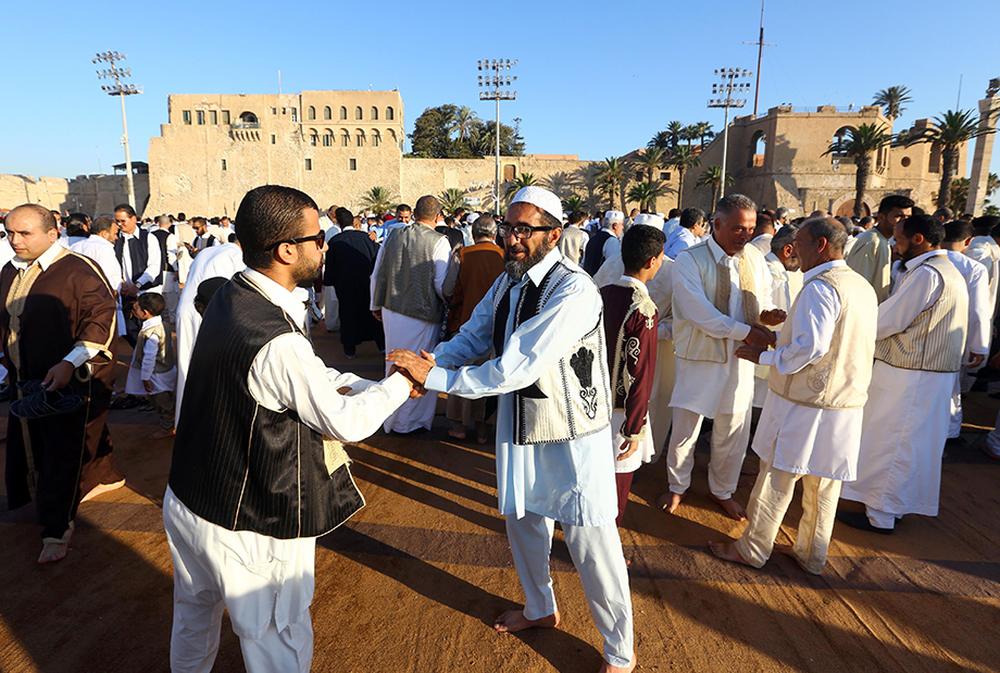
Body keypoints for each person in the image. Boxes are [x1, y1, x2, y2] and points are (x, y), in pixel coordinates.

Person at [163, 185, 418, 673]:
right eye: (317, 236)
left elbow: (303, 377)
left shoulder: (229, 294)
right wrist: (401, 384)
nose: (324, 246)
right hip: (251, 524)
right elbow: (344, 422)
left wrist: (368, 381)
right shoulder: (275, 338)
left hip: (192, 500)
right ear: (286, 250)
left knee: (193, 621)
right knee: (277, 644)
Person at [388, 185, 635, 673]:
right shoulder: (508, 281)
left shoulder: (574, 290)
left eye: (525, 229)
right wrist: (431, 362)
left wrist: (435, 379)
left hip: (571, 435)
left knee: (591, 542)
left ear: (554, 234)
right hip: (522, 426)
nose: (513, 238)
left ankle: (620, 650)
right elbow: (475, 336)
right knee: (522, 520)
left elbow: (518, 363)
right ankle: (541, 607)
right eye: (508, 227)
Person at [710, 217, 877, 574]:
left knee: (777, 477)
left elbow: (812, 347)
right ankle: (812, 554)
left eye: (799, 242)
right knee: (823, 485)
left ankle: (752, 549)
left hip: (806, 404)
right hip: (845, 405)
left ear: (819, 245)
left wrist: (766, 356)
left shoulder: (821, 287)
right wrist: (781, 338)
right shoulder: (859, 284)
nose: (793, 249)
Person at [1, 204, 118, 563]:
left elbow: (100, 319)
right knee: (33, 444)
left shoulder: (78, 270)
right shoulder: (10, 270)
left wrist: (69, 363)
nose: (15, 240)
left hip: (70, 379)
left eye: (24, 233)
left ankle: (57, 527)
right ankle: (88, 482)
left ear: (52, 234)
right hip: (26, 380)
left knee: (61, 451)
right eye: (10, 233)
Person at [840, 214, 969, 533]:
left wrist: (848, 325)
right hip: (926, 376)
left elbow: (889, 320)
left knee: (893, 441)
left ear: (919, 239)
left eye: (898, 239)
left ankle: (881, 514)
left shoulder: (927, 274)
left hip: (911, 376)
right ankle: (890, 507)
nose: (894, 247)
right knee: (909, 444)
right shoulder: (947, 271)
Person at [658, 194, 782, 521]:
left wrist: (767, 315)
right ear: (717, 225)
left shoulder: (755, 257)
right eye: (739, 228)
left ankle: (722, 490)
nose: (746, 235)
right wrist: (747, 332)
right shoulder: (689, 259)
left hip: (741, 359)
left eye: (751, 228)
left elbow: (762, 297)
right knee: (687, 426)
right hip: (700, 357)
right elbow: (697, 312)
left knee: (734, 429)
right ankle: (677, 485)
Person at [593, 214, 676, 454]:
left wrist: (652, 331)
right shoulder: (616, 267)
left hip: (648, 348)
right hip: (632, 352)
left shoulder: (671, 270)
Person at [601, 224, 666, 525]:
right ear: (652, 261)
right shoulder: (643, 308)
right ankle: (604, 557)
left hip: (590, 403)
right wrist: (634, 428)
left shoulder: (600, 294)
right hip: (620, 411)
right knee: (616, 486)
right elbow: (641, 373)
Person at [370, 195, 451, 433]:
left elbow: (377, 272)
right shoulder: (439, 242)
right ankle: (411, 422)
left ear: (414, 214)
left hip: (391, 309)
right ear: (438, 217)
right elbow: (441, 284)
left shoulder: (393, 235)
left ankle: (391, 418)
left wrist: (375, 304)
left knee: (393, 361)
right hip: (422, 313)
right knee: (419, 365)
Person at [442, 213, 505, 442]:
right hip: (494, 328)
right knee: (486, 376)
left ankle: (458, 425)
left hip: (463, 323)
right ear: (494, 234)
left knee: (459, 372)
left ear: (474, 233)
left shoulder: (463, 256)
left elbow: (449, 289)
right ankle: (482, 429)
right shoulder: (503, 257)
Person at [174, 237, 245, 425]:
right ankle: (209, 418)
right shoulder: (236, 255)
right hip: (207, 310)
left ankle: (183, 418)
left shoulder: (205, 252)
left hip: (186, 309)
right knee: (212, 364)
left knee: (185, 363)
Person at [937, 220, 990, 439]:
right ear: (968, 241)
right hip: (955, 336)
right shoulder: (974, 268)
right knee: (950, 387)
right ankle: (947, 432)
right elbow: (978, 310)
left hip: (924, 338)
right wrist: (979, 346)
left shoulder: (926, 261)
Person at [753, 226, 803, 408]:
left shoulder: (787, 273)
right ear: (788, 250)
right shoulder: (769, 273)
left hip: (777, 355)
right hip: (765, 354)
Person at [325, 207, 384, 358]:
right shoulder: (366, 238)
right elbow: (377, 260)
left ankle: (350, 349)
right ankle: (381, 345)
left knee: (348, 316)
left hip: (345, 288)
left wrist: (330, 281)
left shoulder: (335, 241)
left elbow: (331, 267)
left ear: (338, 222)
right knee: (371, 315)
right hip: (367, 285)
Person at [125, 292, 176, 438]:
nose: (135, 312)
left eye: (137, 310)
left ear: (146, 313)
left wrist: (145, 378)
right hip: (167, 370)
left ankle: (168, 427)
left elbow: (149, 358)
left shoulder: (150, 333)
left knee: (161, 403)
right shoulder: (163, 324)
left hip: (156, 376)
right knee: (168, 398)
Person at [845, 194, 914, 303]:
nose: (904, 222)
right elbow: (859, 284)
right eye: (898, 216)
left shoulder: (883, 241)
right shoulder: (871, 241)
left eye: (908, 217)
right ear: (881, 217)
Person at [114, 203, 163, 343]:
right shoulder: (117, 239)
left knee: (151, 332)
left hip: (147, 292)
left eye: (123, 221)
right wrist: (122, 283)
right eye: (117, 221)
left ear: (134, 219)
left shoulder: (149, 238)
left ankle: (154, 362)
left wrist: (137, 285)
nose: (119, 224)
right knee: (130, 330)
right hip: (127, 293)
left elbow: (154, 267)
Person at [152, 215, 179, 323]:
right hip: (167, 270)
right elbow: (171, 255)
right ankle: (171, 323)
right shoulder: (170, 237)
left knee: (158, 297)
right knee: (171, 299)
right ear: (169, 224)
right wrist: (176, 269)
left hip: (154, 271)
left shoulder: (151, 235)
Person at [582, 210, 624, 275]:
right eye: (621, 224)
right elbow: (614, 266)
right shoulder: (612, 241)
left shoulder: (593, 238)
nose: (622, 227)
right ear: (615, 226)